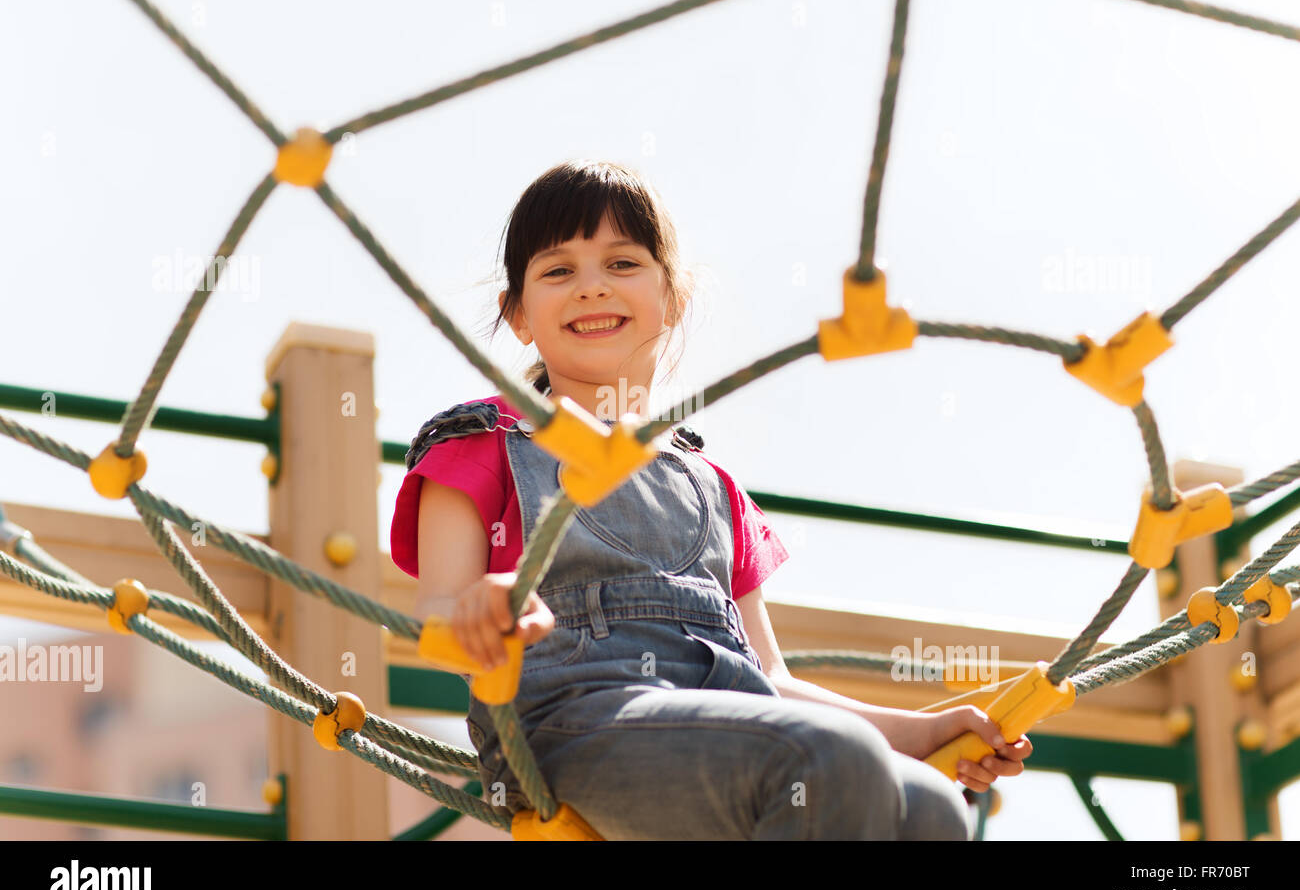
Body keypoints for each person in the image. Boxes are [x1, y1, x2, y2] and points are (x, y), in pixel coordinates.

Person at [390, 158, 1031, 840]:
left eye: (622, 263)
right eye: (558, 271)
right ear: (518, 316)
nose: (591, 288)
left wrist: (919, 729)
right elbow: (437, 608)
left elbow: (768, 677)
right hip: (573, 720)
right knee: (822, 758)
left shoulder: (708, 481)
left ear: (672, 299)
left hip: (732, 723)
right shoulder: (483, 438)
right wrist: (481, 610)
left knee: (929, 805)